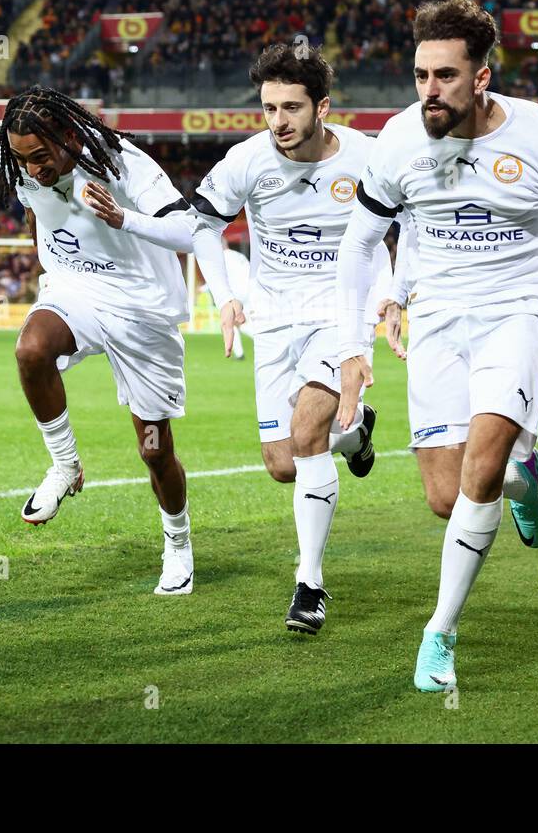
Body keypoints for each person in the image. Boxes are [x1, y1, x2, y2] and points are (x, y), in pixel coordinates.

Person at [336, 0, 538, 691]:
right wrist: (362, 334)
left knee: (477, 471)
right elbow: (360, 242)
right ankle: (523, 477)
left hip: (519, 311)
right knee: (446, 496)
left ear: (482, 76)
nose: (429, 90)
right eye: (419, 76)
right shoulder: (399, 140)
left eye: (444, 76)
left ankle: (439, 633)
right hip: (438, 316)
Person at [175, 42, 399, 635]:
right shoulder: (247, 160)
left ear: (322, 107)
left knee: (305, 435)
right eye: (269, 107)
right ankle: (356, 436)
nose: (278, 121)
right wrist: (224, 297)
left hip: (339, 314)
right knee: (282, 465)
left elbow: (412, 225)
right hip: (273, 317)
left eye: (292, 108)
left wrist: (393, 293)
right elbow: (202, 225)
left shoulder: (370, 157)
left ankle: (310, 584)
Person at [0, 85, 199, 596]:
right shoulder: (23, 170)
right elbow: (36, 211)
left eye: (41, 156)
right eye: (23, 160)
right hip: (76, 291)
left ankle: (178, 542)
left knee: (154, 450)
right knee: (30, 349)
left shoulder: (124, 164)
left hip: (142, 310)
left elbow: (189, 231)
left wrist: (122, 218)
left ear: (66, 135)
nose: (33, 169)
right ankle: (65, 465)